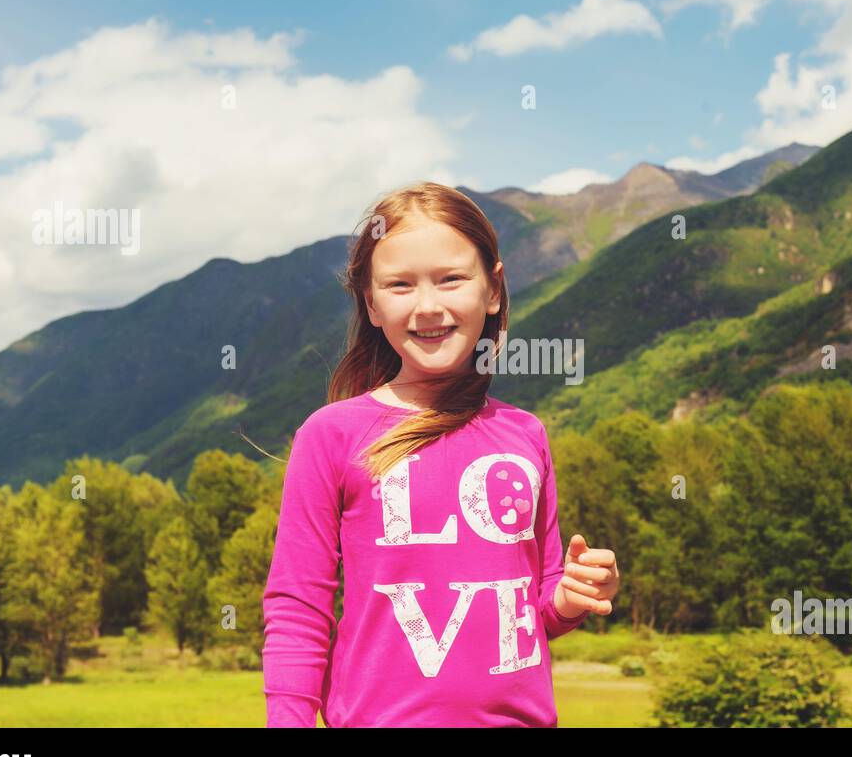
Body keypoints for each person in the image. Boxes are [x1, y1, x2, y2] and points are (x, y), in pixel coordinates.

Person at [262, 181, 621, 727]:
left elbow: (536, 607)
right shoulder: (331, 435)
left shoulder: (526, 434)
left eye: (451, 279)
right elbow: (298, 610)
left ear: (493, 290)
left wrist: (572, 597)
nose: (428, 306)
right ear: (372, 305)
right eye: (399, 285)